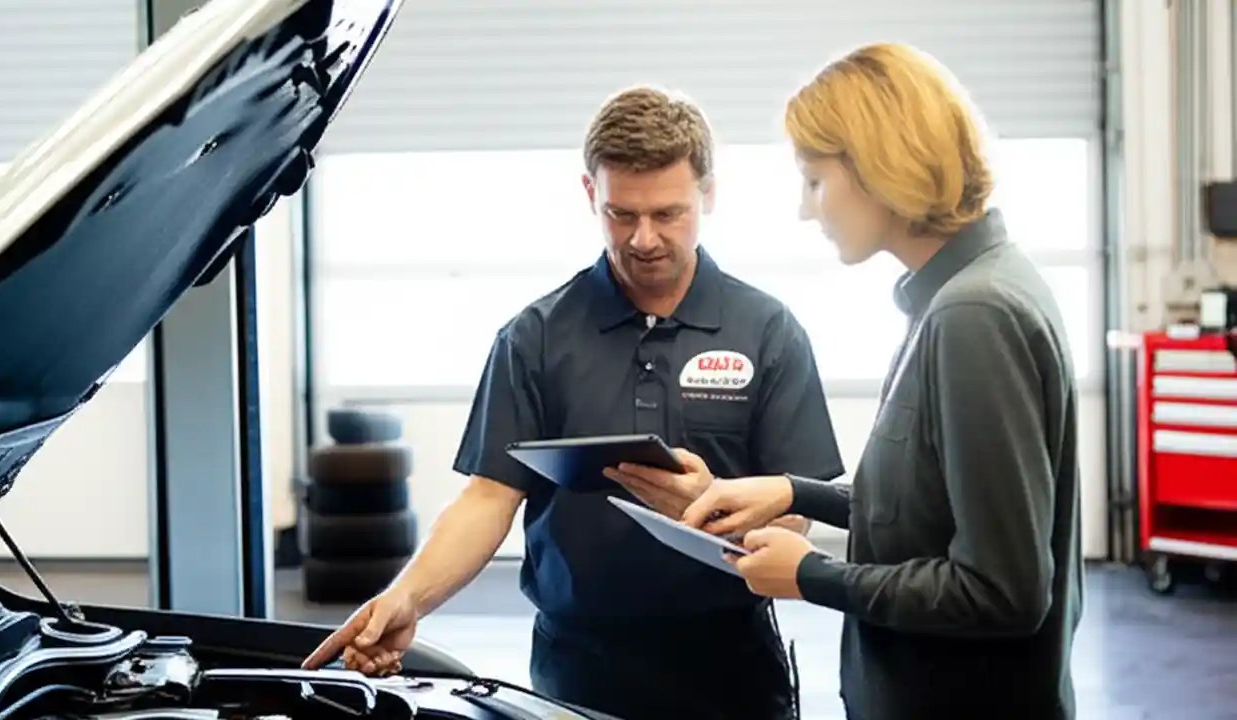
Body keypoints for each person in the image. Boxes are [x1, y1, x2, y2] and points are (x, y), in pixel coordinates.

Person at [301, 85, 845, 720]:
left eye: (668, 214)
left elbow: (795, 518)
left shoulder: (768, 331)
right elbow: (489, 497)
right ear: (591, 194)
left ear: (709, 195)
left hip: (731, 667)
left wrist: (719, 507)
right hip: (577, 668)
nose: (643, 239)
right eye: (621, 214)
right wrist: (407, 600)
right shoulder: (534, 337)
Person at [610, 43, 1083, 720]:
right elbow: (929, 511)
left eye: (814, 180)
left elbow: (1001, 591)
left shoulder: (973, 316)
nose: (808, 210)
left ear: (879, 166)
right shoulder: (964, 295)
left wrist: (813, 575)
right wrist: (791, 492)